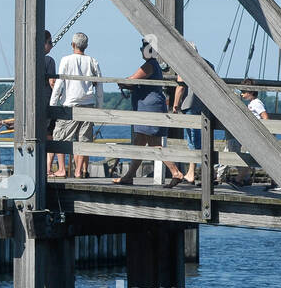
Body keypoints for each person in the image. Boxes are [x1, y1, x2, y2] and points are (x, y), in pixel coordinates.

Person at [113, 39, 184, 186]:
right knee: (139, 143)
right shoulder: (154, 65)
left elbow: (132, 80)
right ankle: (129, 176)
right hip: (148, 107)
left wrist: (122, 81)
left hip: (149, 109)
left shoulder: (149, 65)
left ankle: (176, 172)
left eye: (143, 48)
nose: (141, 50)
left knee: (154, 144)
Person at [50, 32, 104, 179]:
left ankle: (62, 169)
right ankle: (78, 171)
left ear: (73, 45)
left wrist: (52, 105)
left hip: (70, 105)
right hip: (88, 104)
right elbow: (99, 86)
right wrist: (99, 107)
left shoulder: (66, 60)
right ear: (86, 46)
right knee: (84, 140)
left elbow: (59, 84)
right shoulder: (93, 61)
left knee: (60, 137)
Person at [170, 44, 219, 186]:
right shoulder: (209, 64)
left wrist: (175, 104)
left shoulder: (185, 64)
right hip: (205, 105)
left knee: (192, 140)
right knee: (204, 139)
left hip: (190, 104)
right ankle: (204, 173)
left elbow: (181, 86)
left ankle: (193, 174)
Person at [226, 83, 271, 186]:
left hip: (258, 135)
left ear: (250, 92)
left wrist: (265, 132)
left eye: (243, 92)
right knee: (250, 158)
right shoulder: (252, 103)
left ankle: (238, 180)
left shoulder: (256, 103)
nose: (242, 94)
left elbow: (265, 117)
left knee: (250, 159)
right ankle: (242, 179)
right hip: (254, 135)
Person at [43, 29, 58, 177]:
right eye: (50, 42)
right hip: (47, 102)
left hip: (32, 105)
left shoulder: (29, 60)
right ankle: (47, 168)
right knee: (50, 136)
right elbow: (52, 82)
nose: (52, 45)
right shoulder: (49, 61)